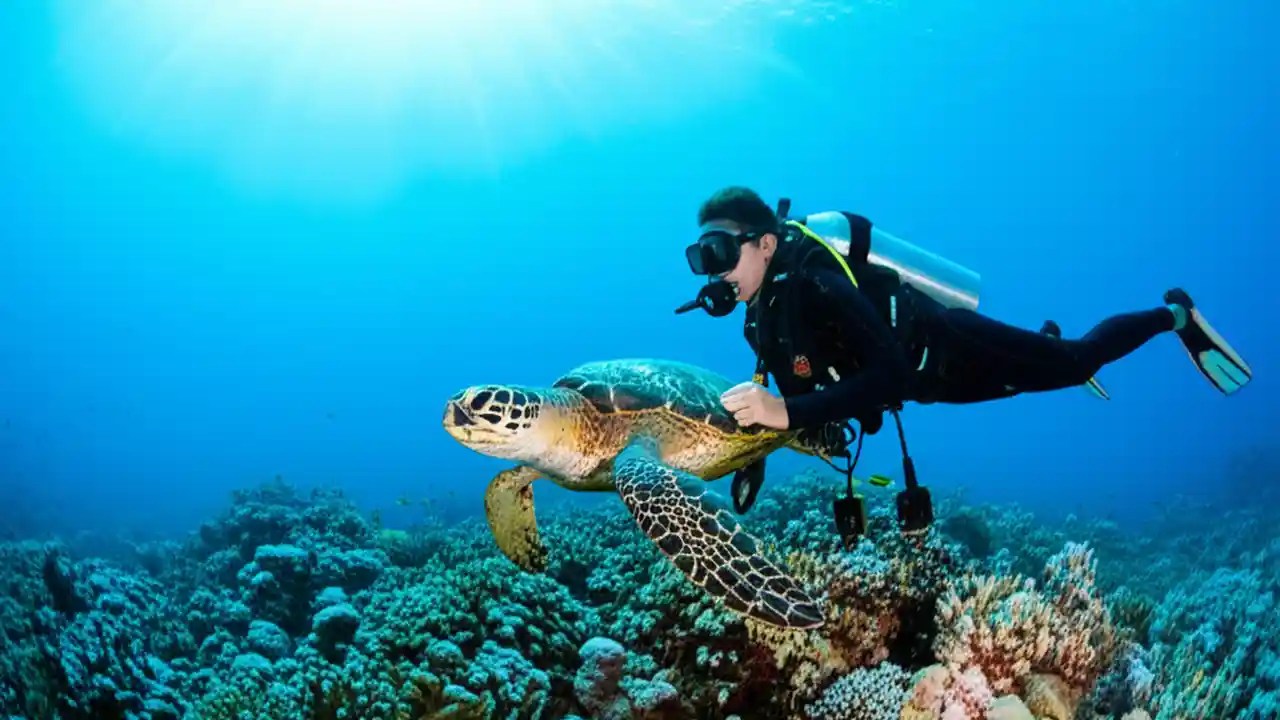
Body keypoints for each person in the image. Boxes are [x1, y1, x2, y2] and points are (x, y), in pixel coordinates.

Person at [676, 186, 1253, 535]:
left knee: (1076, 363)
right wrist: (772, 439)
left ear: (766, 244)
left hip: (948, 344)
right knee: (1022, 382)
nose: (714, 271)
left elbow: (887, 375)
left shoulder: (815, 281)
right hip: (936, 386)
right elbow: (822, 398)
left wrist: (787, 415)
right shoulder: (760, 321)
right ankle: (1041, 341)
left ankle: (1175, 316)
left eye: (721, 252)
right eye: (701, 258)